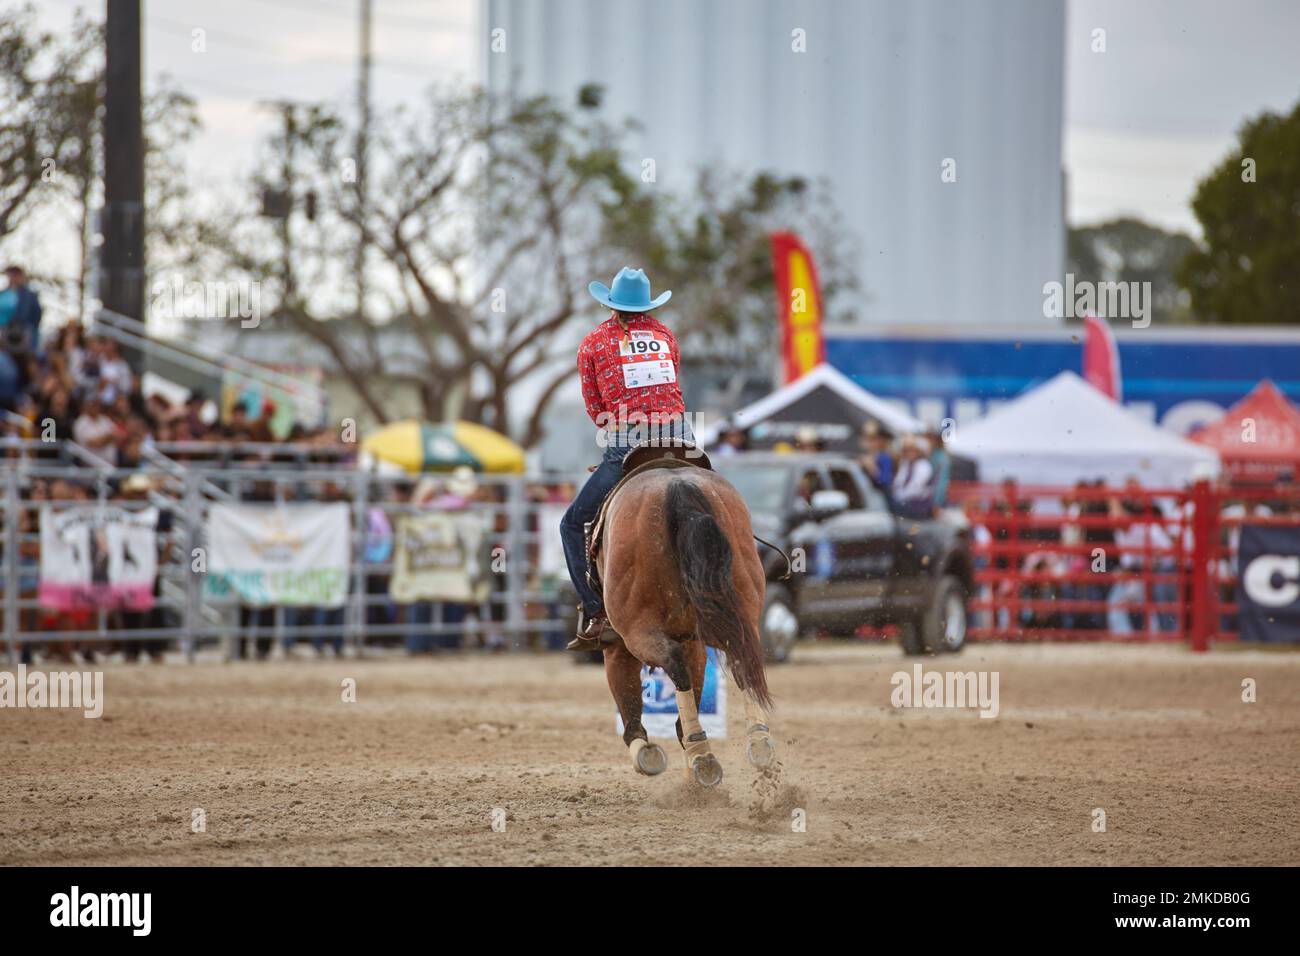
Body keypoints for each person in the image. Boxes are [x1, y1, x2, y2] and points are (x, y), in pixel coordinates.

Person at [560, 267, 691, 650]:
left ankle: (595, 610)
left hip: (628, 448)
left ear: (610, 304)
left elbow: (596, 407)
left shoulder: (593, 343)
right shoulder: (665, 335)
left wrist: (612, 457)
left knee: (571, 524)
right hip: (682, 440)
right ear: (648, 304)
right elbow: (673, 385)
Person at [891, 435, 934, 516]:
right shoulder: (905, 464)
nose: (909, 453)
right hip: (906, 501)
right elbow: (898, 482)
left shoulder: (923, 465)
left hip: (919, 504)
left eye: (912, 451)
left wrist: (900, 496)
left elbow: (915, 487)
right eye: (906, 451)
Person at [858, 423, 894, 490]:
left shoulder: (884, 457)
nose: (869, 442)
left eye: (873, 439)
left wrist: (872, 469)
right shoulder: (865, 456)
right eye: (867, 438)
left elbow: (886, 481)